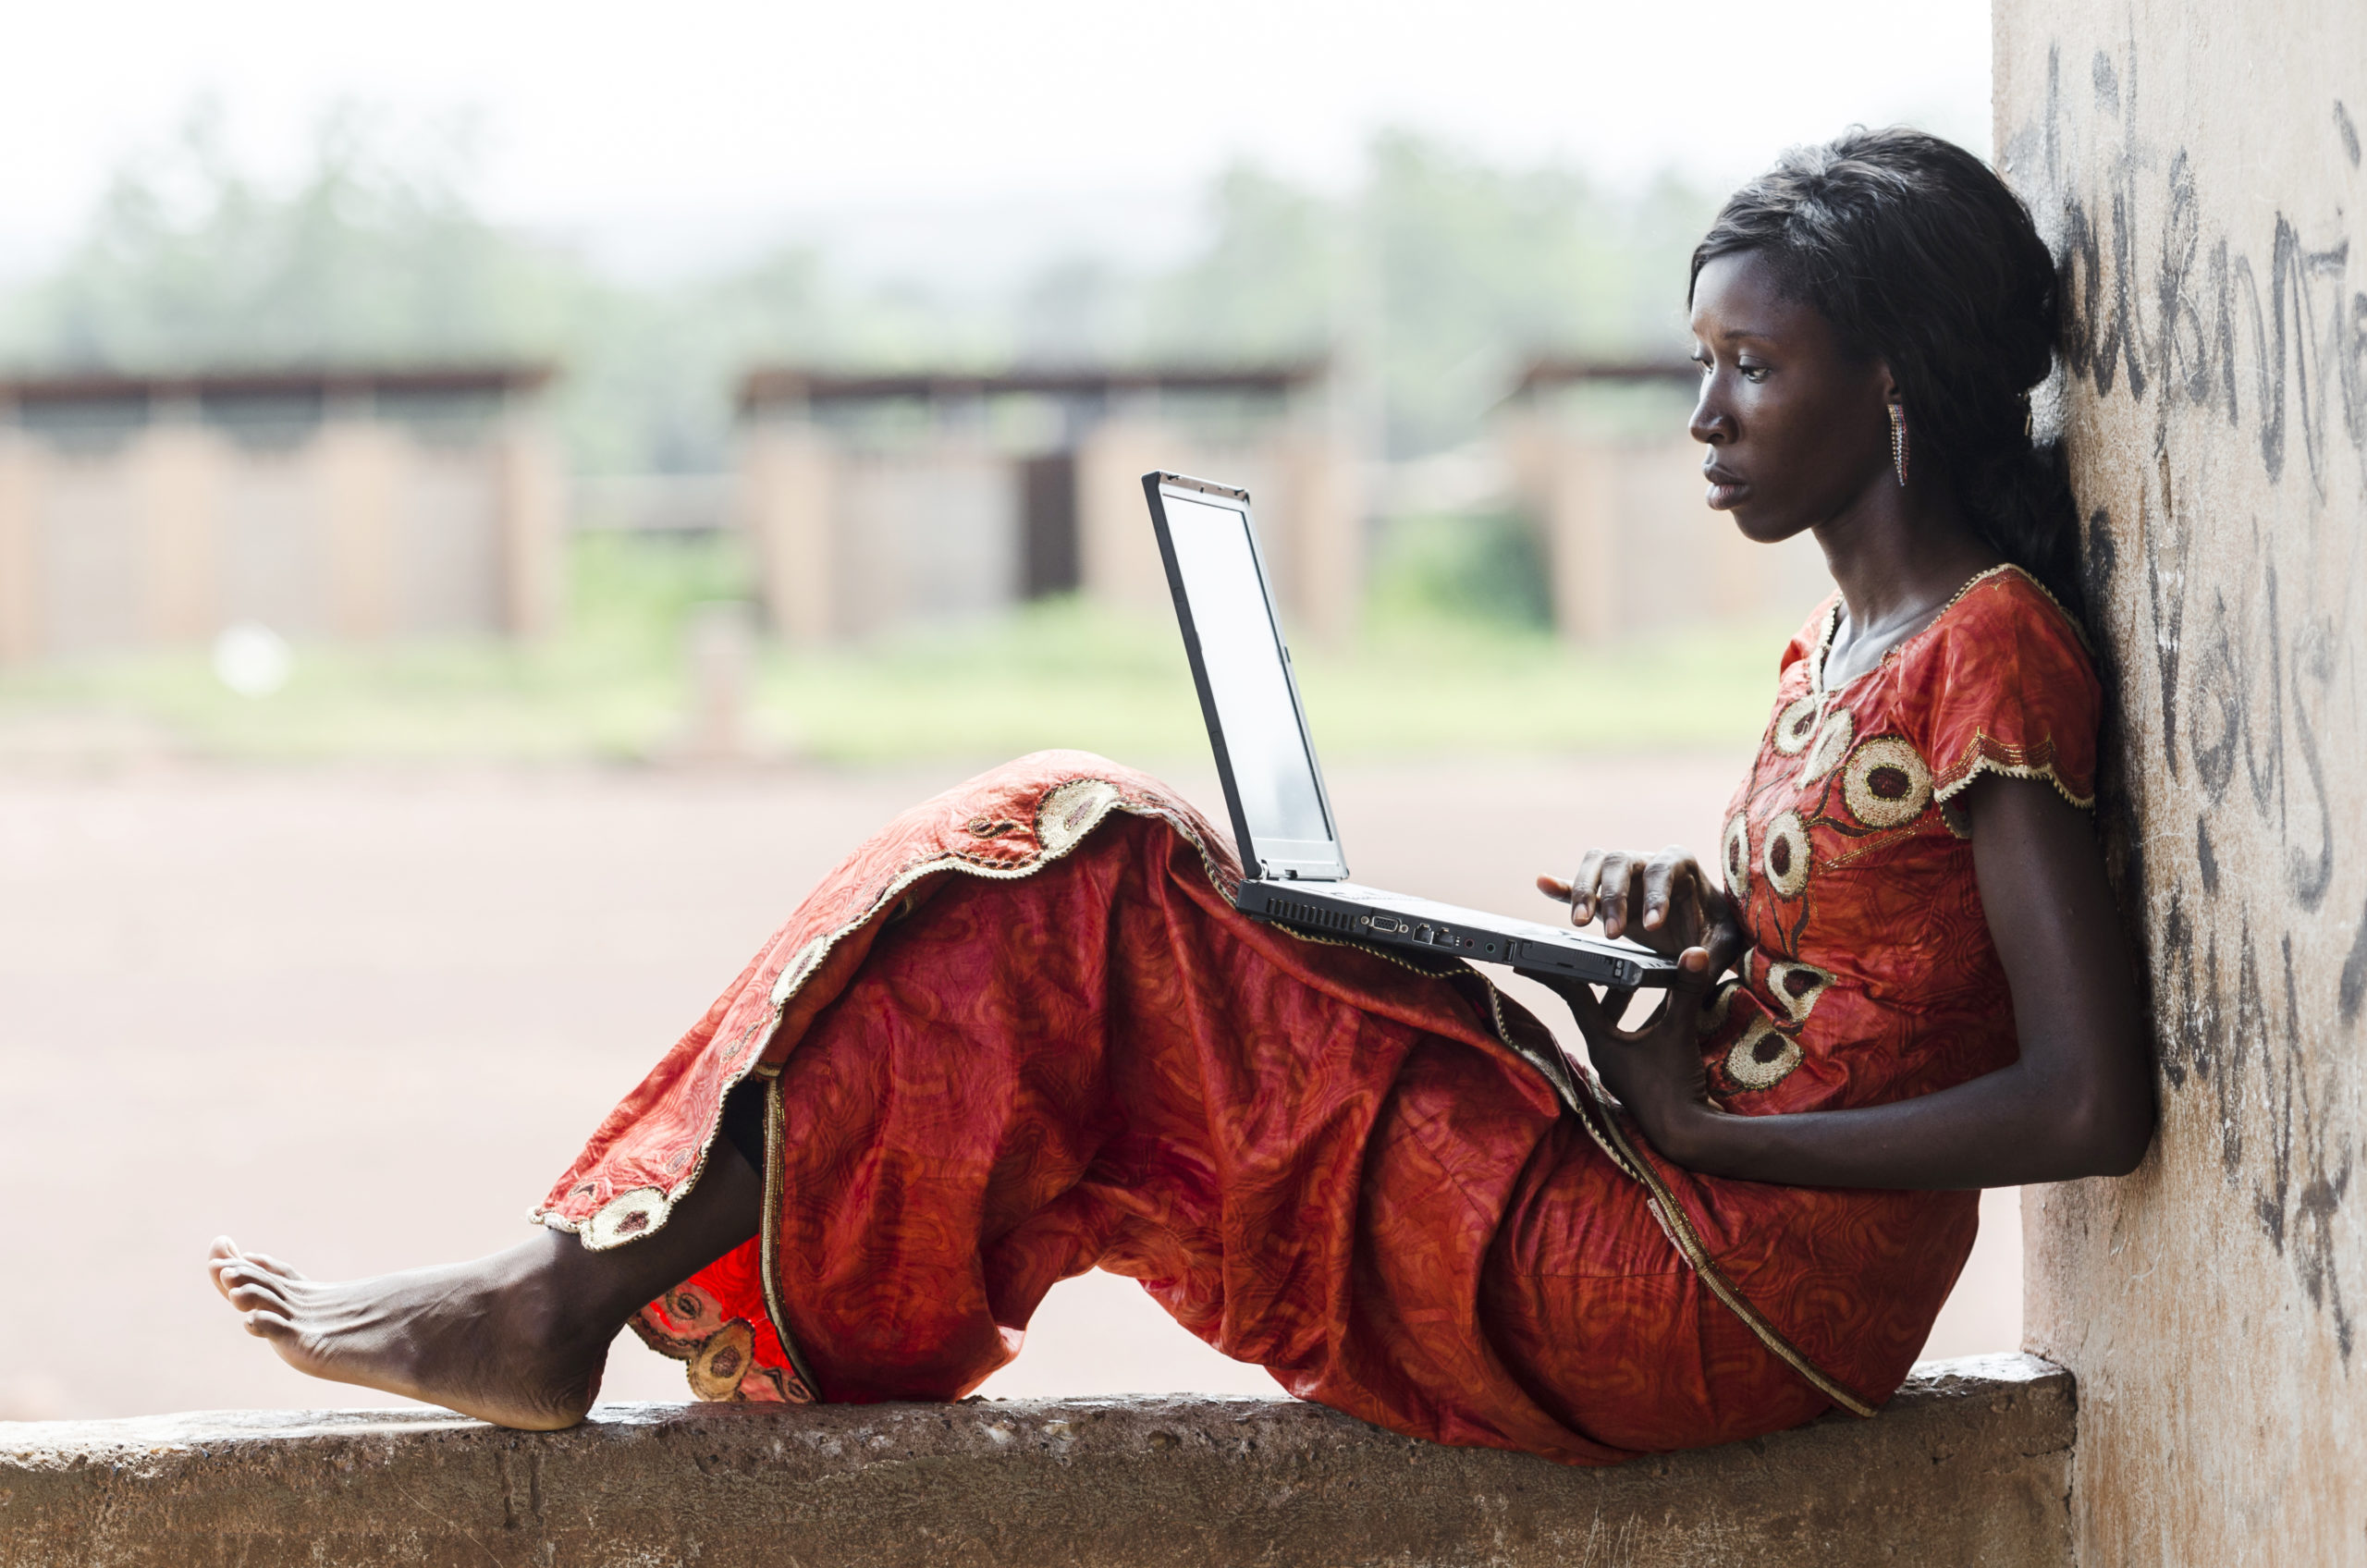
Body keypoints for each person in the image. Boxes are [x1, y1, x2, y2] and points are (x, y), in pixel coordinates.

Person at [206, 128, 2153, 1465]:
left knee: (1087, 851)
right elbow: (1871, 968)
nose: (1703, 416)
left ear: (1892, 384)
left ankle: (563, 1286)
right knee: (1100, 900)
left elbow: (2086, 1099)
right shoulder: (1849, 637)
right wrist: (1694, 937)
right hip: (1671, 1182)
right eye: (1699, 360)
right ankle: (574, 1286)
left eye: (1752, 367)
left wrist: (1695, 1120)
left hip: (1713, 1289)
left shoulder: (1988, 645)